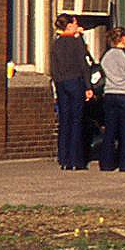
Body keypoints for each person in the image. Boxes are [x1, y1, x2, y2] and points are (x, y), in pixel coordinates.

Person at [48, 14, 93, 170]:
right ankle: (76, 159)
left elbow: (53, 67)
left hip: (61, 83)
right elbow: (84, 64)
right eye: (75, 23)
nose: (77, 25)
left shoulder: (56, 44)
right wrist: (88, 86)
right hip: (75, 82)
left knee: (64, 120)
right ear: (69, 26)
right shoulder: (76, 42)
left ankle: (64, 158)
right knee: (76, 120)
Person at [98, 27, 125, 171]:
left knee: (110, 129)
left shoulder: (105, 55)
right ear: (122, 38)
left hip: (109, 94)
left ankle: (106, 163)